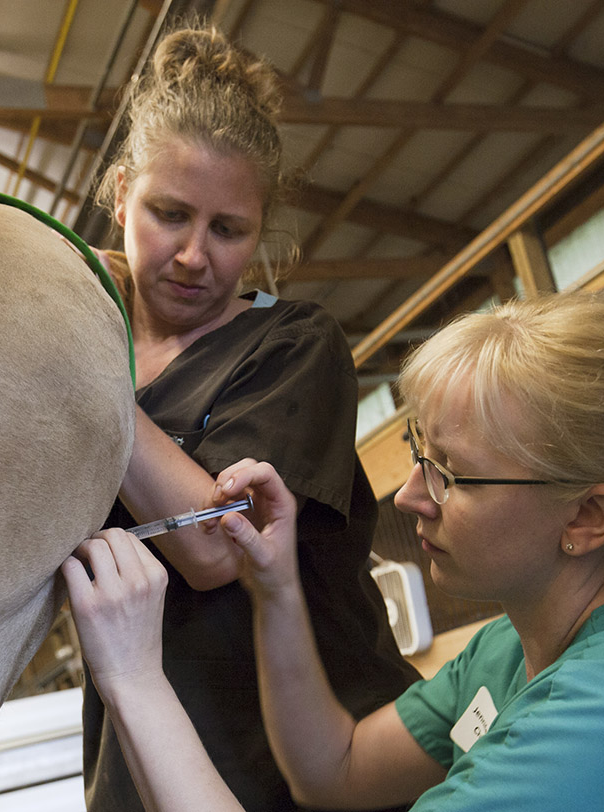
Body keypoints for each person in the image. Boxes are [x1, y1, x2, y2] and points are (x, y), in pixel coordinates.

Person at [63, 292, 604, 812]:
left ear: (589, 516)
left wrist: (134, 679)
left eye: (450, 475)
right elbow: (336, 768)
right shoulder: (510, 649)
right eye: (420, 453)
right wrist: (274, 588)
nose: (410, 496)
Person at [79, 23, 419, 812]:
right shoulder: (94, 327)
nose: (195, 255)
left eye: (228, 230)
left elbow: (211, 548)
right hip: (148, 754)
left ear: (263, 228)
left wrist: (75, 360)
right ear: (122, 191)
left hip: (305, 762)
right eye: (169, 213)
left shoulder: (295, 343)